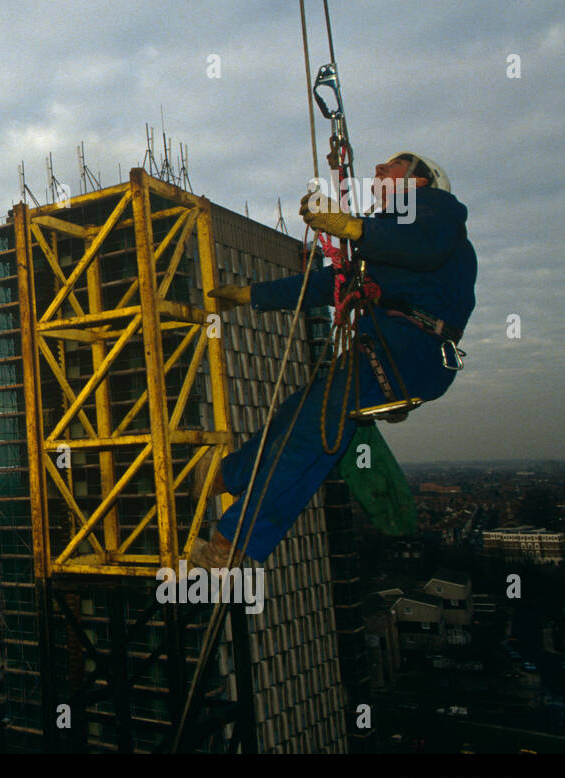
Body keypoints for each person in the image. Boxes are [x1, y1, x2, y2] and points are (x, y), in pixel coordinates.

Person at [193, 152, 476, 567]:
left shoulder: (437, 212)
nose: (379, 169)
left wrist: (355, 228)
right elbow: (332, 284)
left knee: (311, 435)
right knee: (294, 416)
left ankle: (231, 545)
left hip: (411, 350)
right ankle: (226, 476)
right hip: (388, 350)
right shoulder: (387, 240)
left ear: (420, 182)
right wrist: (255, 296)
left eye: (394, 165)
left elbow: (424, 247)